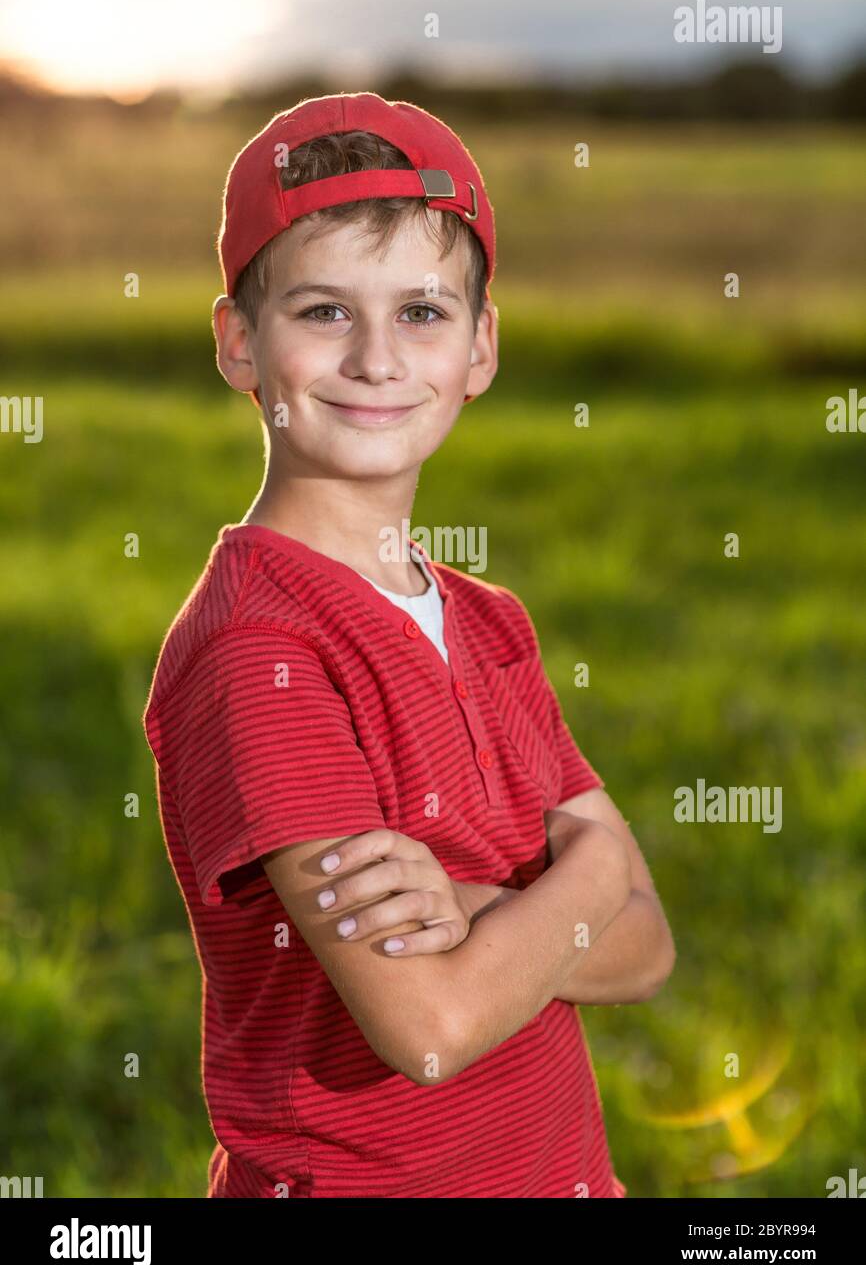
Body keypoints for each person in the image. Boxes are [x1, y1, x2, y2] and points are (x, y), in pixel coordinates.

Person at [142, 91, 676, 1198]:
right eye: (323, 312)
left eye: (423, 313)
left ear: (481, 345)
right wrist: (588, 871)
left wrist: (477, 909)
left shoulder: (489, 622)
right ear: (240, 343)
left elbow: (649, 947)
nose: (378, 359)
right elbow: (430, 1024)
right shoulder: (259, 648)